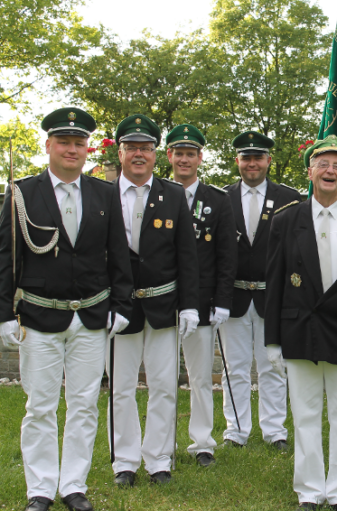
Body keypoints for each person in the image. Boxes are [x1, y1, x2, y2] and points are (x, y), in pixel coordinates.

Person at [0, 108, 133, 511]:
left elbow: (119, 254)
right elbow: (7, 257)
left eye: (79, 143)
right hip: (39, 317)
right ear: (48, 145)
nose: (72, 149)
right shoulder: (21, 193)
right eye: (64, 142)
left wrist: (121, 303)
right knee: (39, 406)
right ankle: (40, 490)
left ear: (87, 148)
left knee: (84, 404)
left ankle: (73, 486)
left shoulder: (105, 193)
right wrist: (4, 313)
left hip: (91, 316)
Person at [265, 136, 337, 511]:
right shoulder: (285, 220)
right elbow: (275, 282)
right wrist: (272, 340)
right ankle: (310, 490)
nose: (329, 171)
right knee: (305, 414)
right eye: (323, 164)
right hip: (301, 327)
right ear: (310, 172)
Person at [108, 114, 200, 487]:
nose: (139, 154)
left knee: (163, 385)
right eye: (131, 147)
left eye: (145, 148)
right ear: (120, 152)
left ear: (155, 154)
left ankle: (159, 460)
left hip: (163, 306)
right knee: (121, 387)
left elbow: (187, 255)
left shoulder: (173, 195)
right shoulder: (102, 195)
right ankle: (124, 462)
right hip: (119, 308)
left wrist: (190, 304)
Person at [220, 130, 301, 448]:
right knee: (234, 368)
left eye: (258, 157)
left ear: (268, 160)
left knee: (273, 365)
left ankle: (275, 431)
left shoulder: (289, 198)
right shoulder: (222, 198)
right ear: (237, 161)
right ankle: (236, 431)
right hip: (234, 296)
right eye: (246, 158)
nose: (252, 163)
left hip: (273, 296)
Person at [167, 123, 237, 466]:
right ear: (169, 156)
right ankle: (162, 444)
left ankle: (203, 442)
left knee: (200, 377)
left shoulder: (217, 200)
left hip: (204, 302)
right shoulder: (158, 195)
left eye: (190, 154)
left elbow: (227, 256)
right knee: (163, 378)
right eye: (179, 153)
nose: (184, 159)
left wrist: (222, 301)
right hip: (163, 301)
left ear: (200, 158)